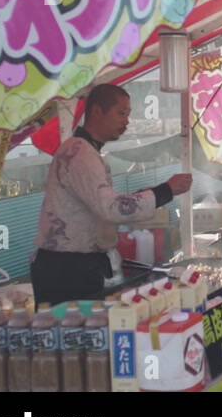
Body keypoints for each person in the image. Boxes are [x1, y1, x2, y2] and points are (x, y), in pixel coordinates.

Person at [31, 84, 192, 306]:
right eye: (121, 113)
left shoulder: (86, 150)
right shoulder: (79, 153)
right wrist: (166, 190)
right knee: (76, 335)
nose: (126, 121)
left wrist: (157, 192)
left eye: (128, 114)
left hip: (78, 266)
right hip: (66, 271)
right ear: (97, 111)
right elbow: (111, 208)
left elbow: (105, 203)